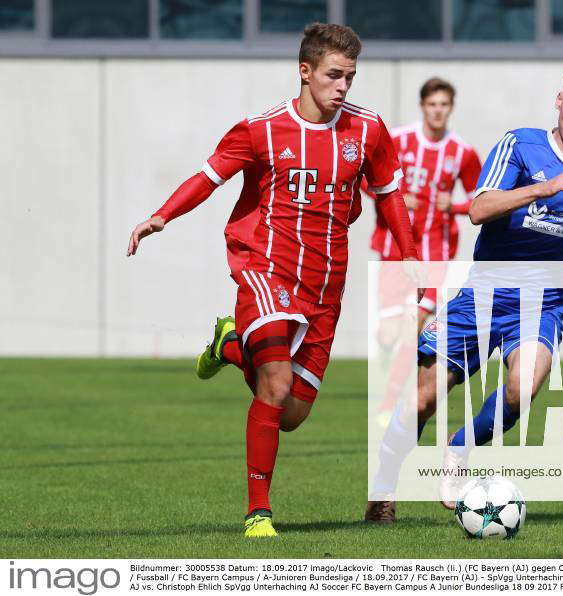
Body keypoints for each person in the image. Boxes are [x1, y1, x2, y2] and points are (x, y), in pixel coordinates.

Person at [127, 23, 419, 537]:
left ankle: (231, 345)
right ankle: (258, 512)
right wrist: (162, 215)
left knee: (291, 413)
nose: (344, 86)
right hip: (266, 269)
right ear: (305, 71)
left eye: (351, 76)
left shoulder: (367, 130)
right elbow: (209, 175)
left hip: (327, 285)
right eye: (334, 75)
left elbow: (389, 193)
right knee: (277, 383)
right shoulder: (260, 130)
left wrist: (412, 257)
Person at [365, 63, 563, 522]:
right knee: (423, 398)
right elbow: (479, 208)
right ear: (559, 99)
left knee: (522, 388)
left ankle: (460, 447)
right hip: (483, 296)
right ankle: (383, 491)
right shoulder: (521, 145)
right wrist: (542, 188)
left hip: (543, 302)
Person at [370, 78, 482, 417]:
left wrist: (456, 207)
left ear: (451, 108)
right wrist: (393, 196)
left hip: (437, 253)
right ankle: (396, 374)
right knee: (389, 334)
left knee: (413, 325)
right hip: (395, 249)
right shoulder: (399, 140)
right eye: (432, 104)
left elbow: (481, 199)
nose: (438, 110)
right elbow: (365, 177)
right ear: (422, 106)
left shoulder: (461, 152)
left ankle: (391, 404)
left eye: (444, 105)